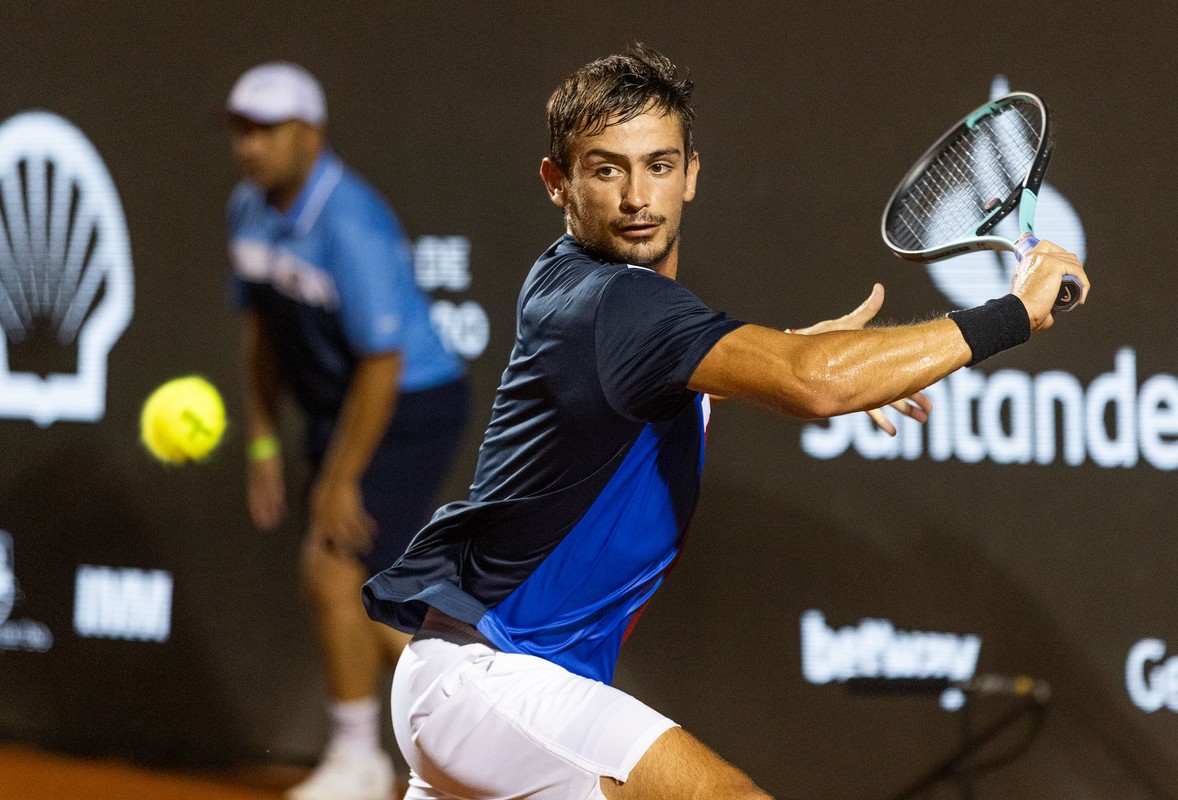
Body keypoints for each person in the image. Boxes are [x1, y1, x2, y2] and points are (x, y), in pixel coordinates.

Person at [363, 44, 1088, 800]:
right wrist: (1014, 312)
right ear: (558, 183)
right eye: (607, 170)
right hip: (491, 680)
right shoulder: (620, 303)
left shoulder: (577, 287)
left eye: (659, 165)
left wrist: (800, 357)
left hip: (475, 686)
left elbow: (678, 388)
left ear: (691, 174)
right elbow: (813, 385)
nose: (638, 197)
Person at [224, 62, 469, 800]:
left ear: (311, 134)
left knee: (335, 569)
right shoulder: (245, 210)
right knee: (356, 584)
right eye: (241, 129)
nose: (250, 145)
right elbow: (262, 336)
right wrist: (262, 441)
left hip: (409, 406)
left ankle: (404, 753)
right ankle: (448, 741)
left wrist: (340, 478)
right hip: (341, 412)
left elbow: (381, 364)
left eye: (267, 129)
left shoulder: (351, 221)